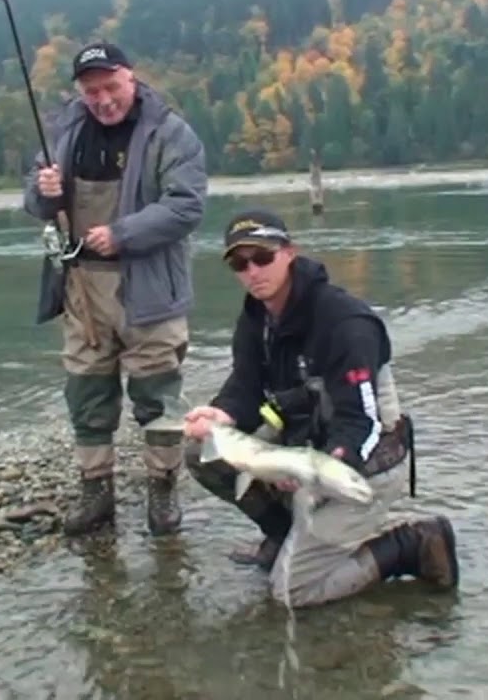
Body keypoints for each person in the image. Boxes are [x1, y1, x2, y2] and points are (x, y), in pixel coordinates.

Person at [182, 208, 459, 608]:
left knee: (290, 594)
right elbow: (245, 387)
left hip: (365, 460)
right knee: (202, 452)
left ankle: (411, 544)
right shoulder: (255, 318)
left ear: (289, 252)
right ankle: (286, 537)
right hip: (304, 443)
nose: (252, 271)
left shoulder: (344, 322)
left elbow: (360, 423)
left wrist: (313, 473)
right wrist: (220, 415)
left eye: (262, 257)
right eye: (240, 263)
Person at [22, 41, 208, 537]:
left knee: (158, 396)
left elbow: (187, 206)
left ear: (131, 77)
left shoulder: (170, 133)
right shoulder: (65, 130)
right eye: (91, 91)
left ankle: (163, 492)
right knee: (86, 392)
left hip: (148, 289)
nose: (102, 99)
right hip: (82, 289)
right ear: (79, 92)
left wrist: (123, 234)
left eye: (110, 87)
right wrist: (40, 194)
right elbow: (33, 198)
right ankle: (96, 491)